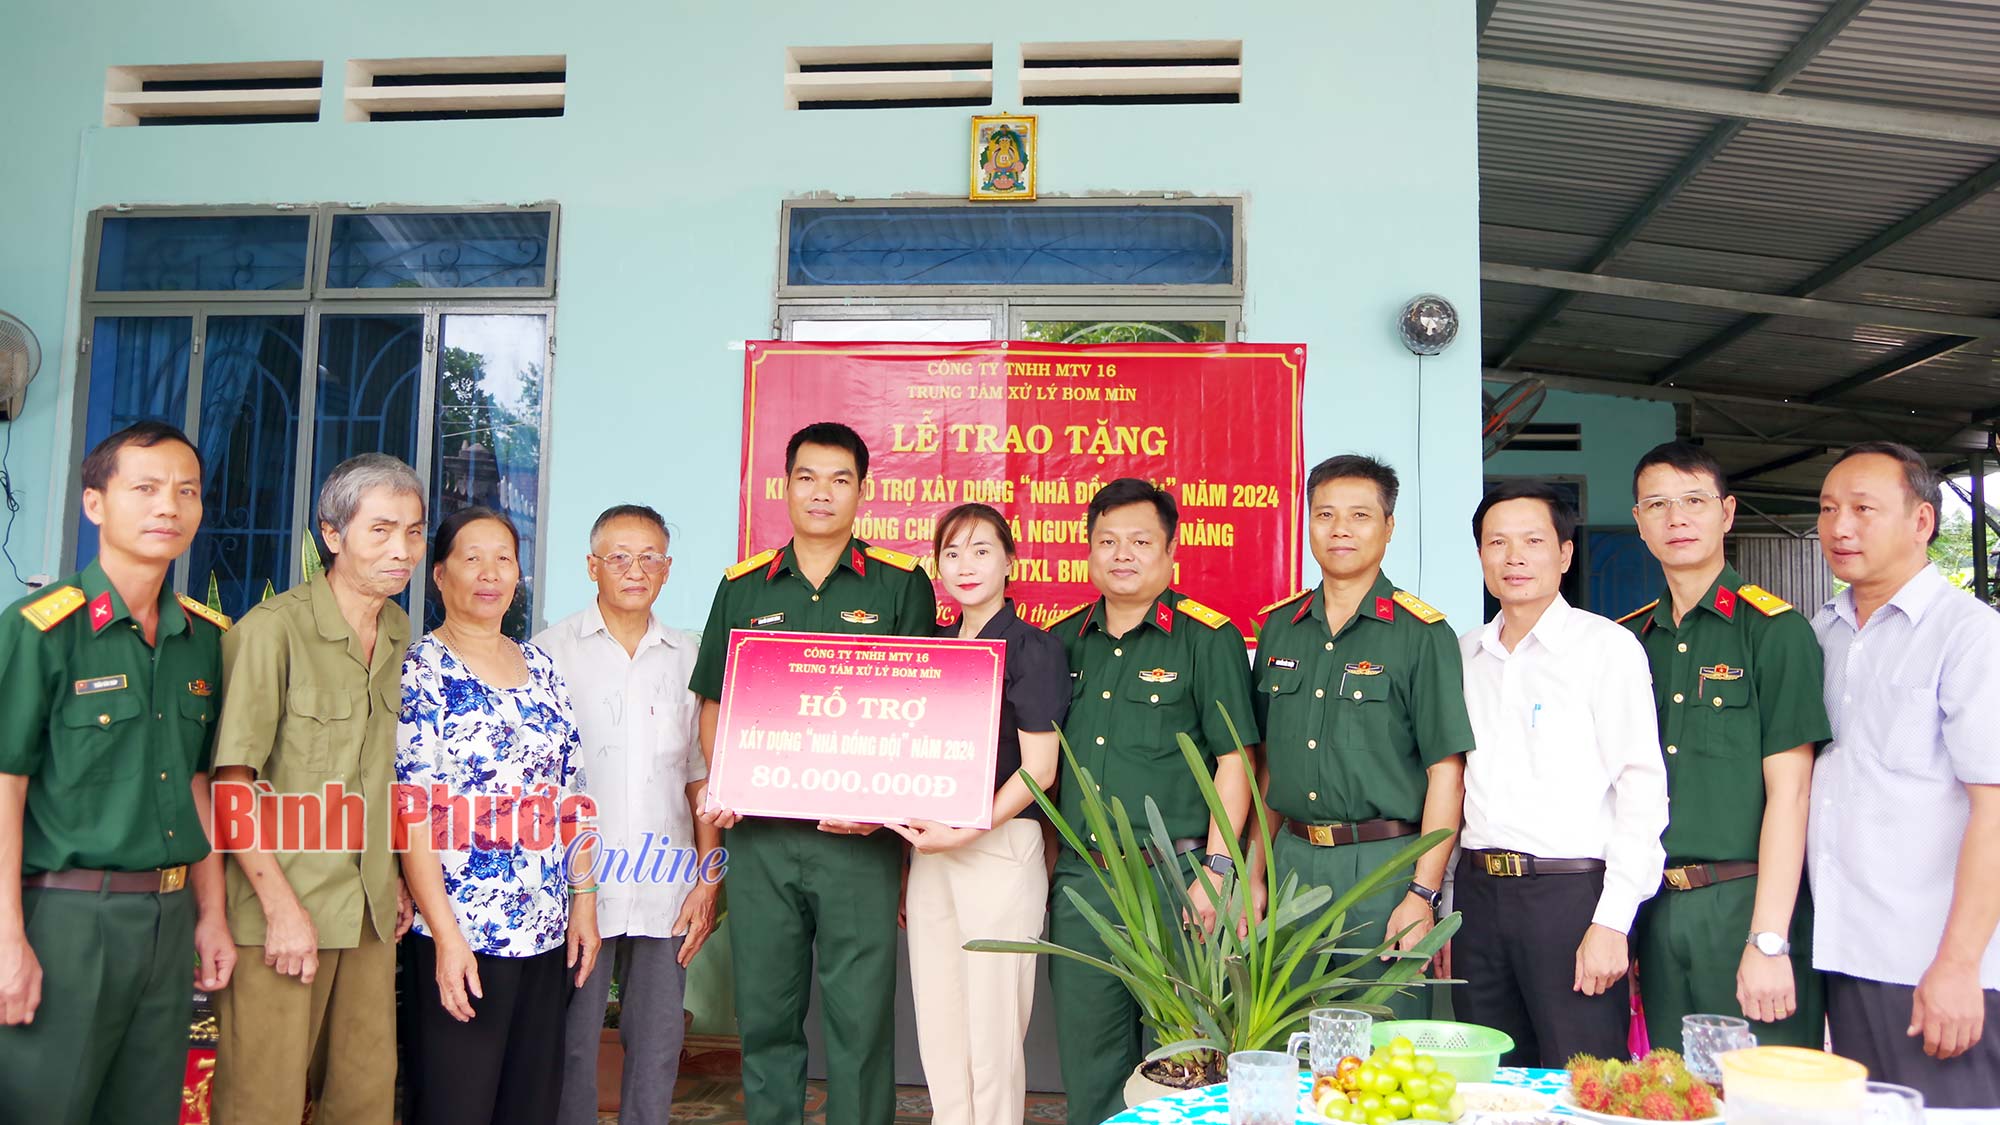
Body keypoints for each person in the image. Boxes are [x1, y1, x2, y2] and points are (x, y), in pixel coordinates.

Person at [688, 422, 937, 1125]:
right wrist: (727, 779)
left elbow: (918, 711)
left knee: (861, 1027)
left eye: (838, 479)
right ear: (785, 484)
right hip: (761, 839)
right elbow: (714, 703)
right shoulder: (742, 587)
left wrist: (885, 810)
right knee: (766, 1018)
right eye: (807, 476)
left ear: (862, 490)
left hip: (858, 842)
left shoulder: (899, 586)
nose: (821, 492)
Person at [0, 421, 237, 1122]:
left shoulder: (203, 639)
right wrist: (7, 937)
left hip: (168, 919)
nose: (169, 505)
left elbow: (199, 785)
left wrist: (213, 914)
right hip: (66, 917)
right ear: (94, 502)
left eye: (186, 491)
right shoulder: (42, 630)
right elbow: (5, 785)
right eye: (146, 488)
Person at [210, 453, 426, 1123]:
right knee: (262, 1102)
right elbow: (231, 783)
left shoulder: (395, 631)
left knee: (362, 1098)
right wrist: (278, 907)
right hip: (280, 911)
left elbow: (383, 776)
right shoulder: (271, 632)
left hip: (364, 912)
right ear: (332, 534)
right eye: (382, 530)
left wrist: (396, 877)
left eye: (415, 532)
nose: (402, 550)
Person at [1043, 476, 1259, 1125]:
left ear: (1170, 552)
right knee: (1089, 1060)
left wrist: (1218, 872)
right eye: (1107, 540)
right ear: (1088, 550)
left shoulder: (1205, 637)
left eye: (1140, 541)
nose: (1122, 554)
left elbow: (1236, 759)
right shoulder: (1062, 640)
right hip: (1088, 883)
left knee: (1184, 1063)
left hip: (1181, 883)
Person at [1617, 442, 1829, 1051]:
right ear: (1638, 521)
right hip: (1655, 908)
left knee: (1768, 1100)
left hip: (1746, 904)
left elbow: (1791, 796)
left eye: (1693, 501)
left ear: (1727, 513)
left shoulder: (1774, 632)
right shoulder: (1628, 642)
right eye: (1656, 504)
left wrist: (1768, 940)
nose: (1675, 518)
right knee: (1669, 1096)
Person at [1810, 441, 2000, 1107]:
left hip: (1933, 960)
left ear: (1922, 522)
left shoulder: (1969, 635)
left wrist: (1958, 964)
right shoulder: (1822, 633)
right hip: (1848, 950)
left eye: (1864, 508)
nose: (1840, 526)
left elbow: (1995, 810)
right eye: (1829, 508)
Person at [1248, 455, 1472, 1018]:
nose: (1340, 529)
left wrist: (1423, 894)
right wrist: (1254, 876)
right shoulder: (1279, 626)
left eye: (1359, 515)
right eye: (1324, 514)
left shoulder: (1422, 634)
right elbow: (1269, 764)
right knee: (1290, 1041)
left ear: (1389, 527)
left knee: (1383, 1045)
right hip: (1293, 864)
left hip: (1385, 870)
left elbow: (1446, 773)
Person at [397, 507, 599, 1125]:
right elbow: (412, 815)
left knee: (529, 1104)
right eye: (472, 558)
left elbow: (573, 792)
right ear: (439, 574)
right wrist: (447, 938)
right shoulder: (421, 671)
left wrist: (583, 906)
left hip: (543, 932)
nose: (490, 574)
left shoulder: (540, 667)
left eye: (504, 559)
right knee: (457, 1102)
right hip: (460, 936)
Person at [1455, 480, 1667, 1068]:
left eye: (1532, 541)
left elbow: (1641, 790)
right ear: (1480, 555)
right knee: (1488, 1083)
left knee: (1580, 1077)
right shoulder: (1464, 654)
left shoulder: (1607, 649)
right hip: (1477, 900)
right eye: (1496, 542)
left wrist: (1613, 922)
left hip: (1570, 900)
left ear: (1565, 554)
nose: (1513, 557)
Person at [536, 504, 721, 1125]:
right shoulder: (549, 653)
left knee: (659, 1039)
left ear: (667, 570)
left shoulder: (690, 657)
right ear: (593, 567)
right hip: (574, 881)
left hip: (667, 879)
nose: (635, 570)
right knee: (572, 1040)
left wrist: (708, 877)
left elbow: (701, 775)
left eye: (649, 558)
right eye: (620, 557)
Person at [888, 503, 1065, 1125]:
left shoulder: (1034, 649)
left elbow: (1040, 770)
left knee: (993, 1026)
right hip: (932, 850)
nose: (966, 565)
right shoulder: (932, 647)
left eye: (982, 550)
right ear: (937, 566)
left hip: (998, 847)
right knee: (938, 1017)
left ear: (1010, 562)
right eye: (953, 553)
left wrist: (967, 829)